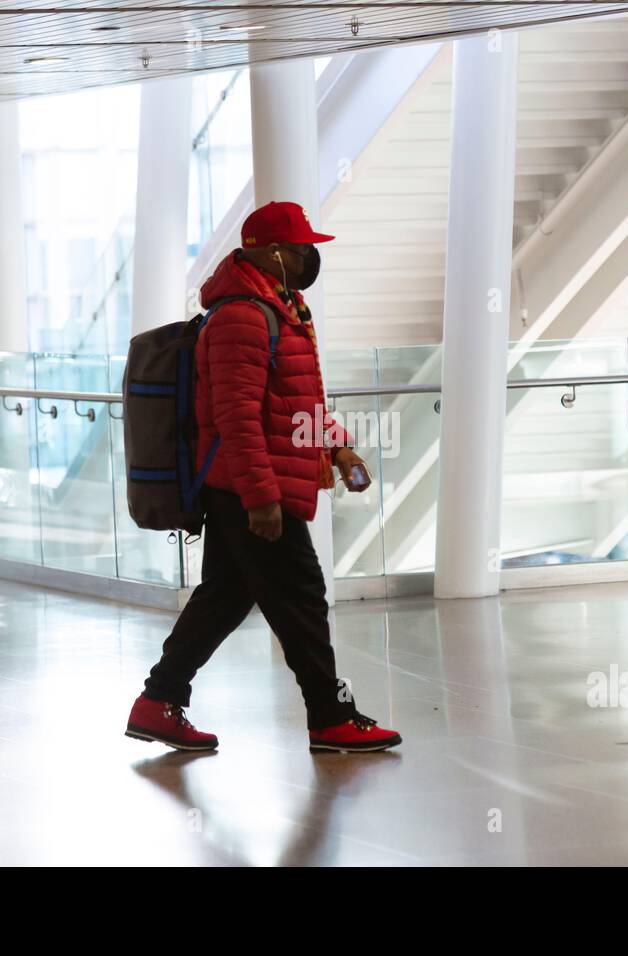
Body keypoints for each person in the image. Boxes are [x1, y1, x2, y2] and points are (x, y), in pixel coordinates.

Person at [125, 201, 402, 754]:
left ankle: (157, 703)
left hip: (258, 483)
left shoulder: (282, 308)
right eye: (303, 249)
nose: (309, 258)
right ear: (274, 252)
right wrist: (260, 497)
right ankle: (329, 717)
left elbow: (293, 399)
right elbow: (235, 415)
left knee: (225, 597)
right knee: (302, 596)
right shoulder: (240, 318)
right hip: (249, 488)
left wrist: (340, 447)